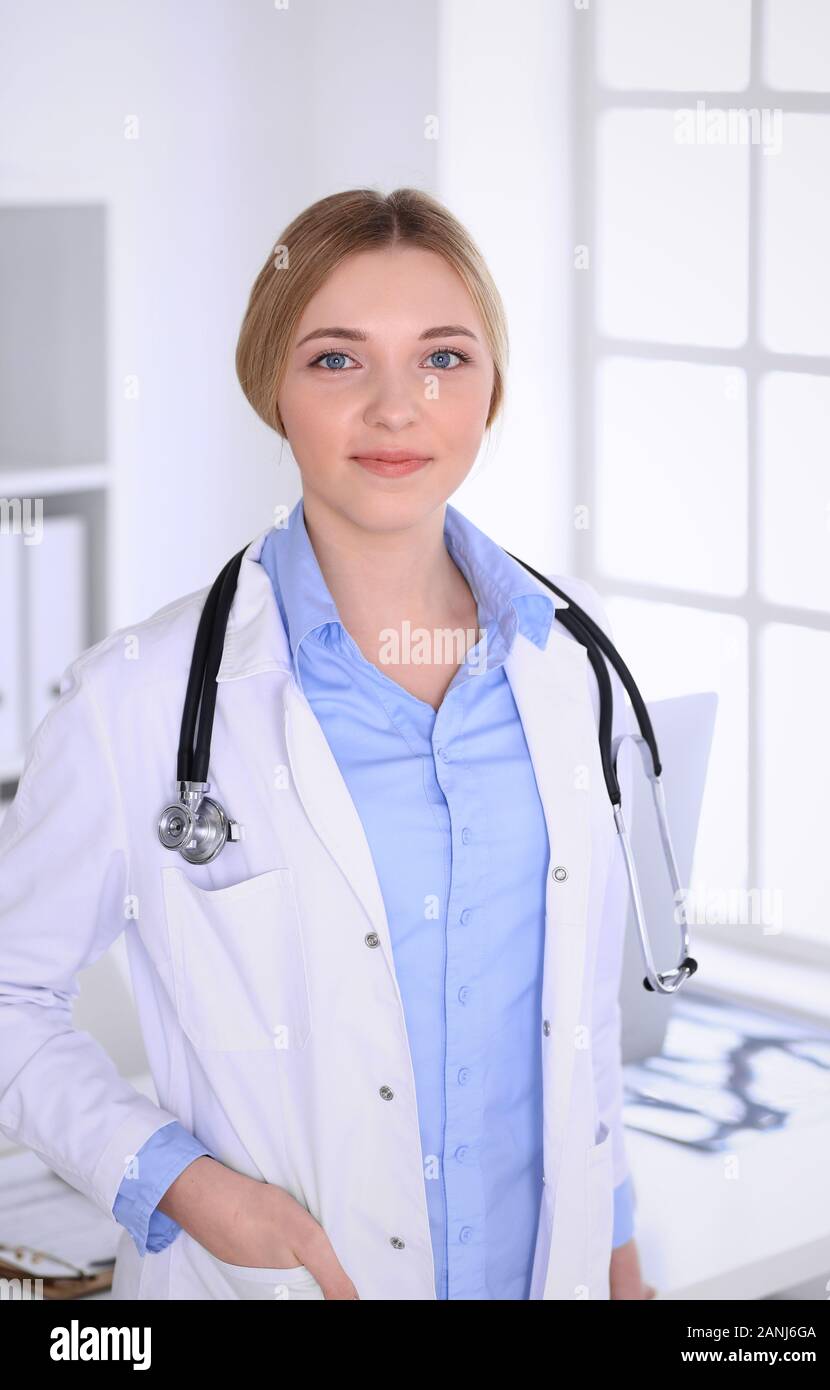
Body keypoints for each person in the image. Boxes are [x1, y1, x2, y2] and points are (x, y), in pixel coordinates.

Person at [0, 187, 654, 1300]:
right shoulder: (138, 700)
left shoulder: (568, 661)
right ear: (274, 389)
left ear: (491, 388)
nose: (398, 408)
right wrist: (188, 1187)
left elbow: (575, 1021)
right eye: (338, 361)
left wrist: (621, 1265)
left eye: (443, 357)